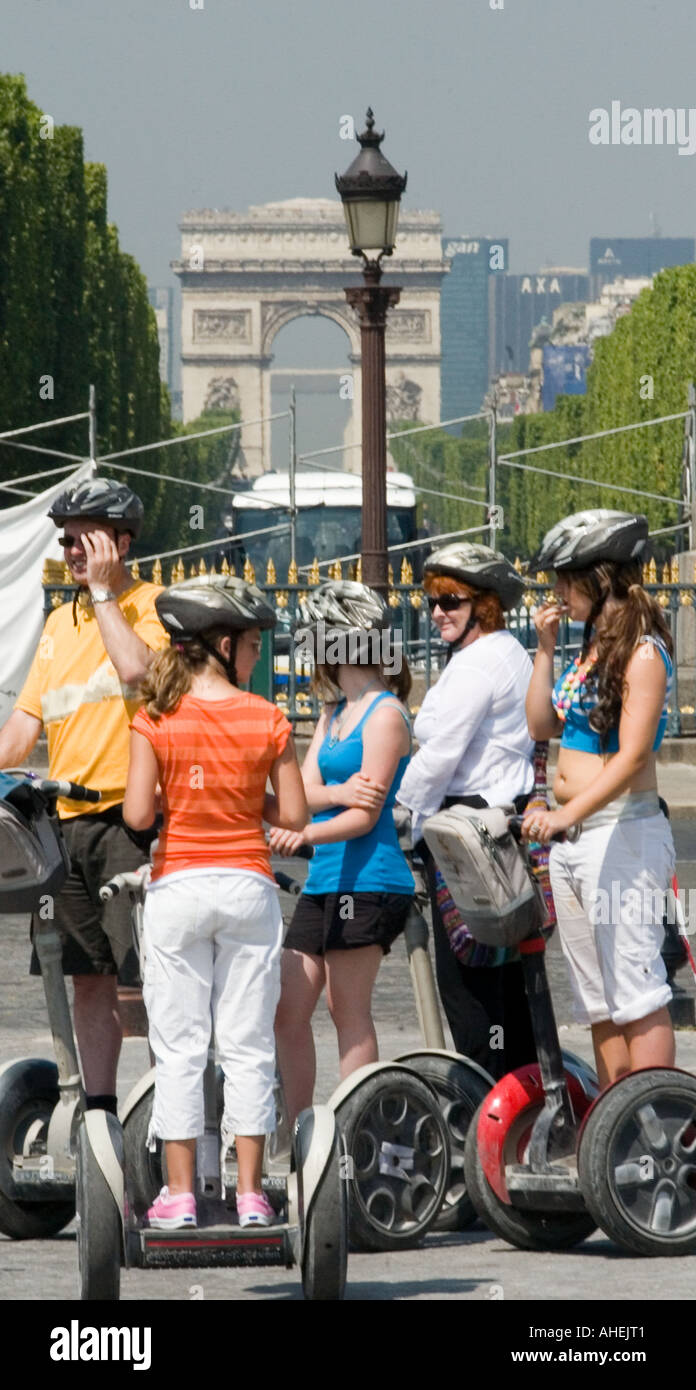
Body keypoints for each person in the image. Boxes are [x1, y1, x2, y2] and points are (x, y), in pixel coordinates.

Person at [123, 574, 307, 1229]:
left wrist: (188, 796)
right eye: (254, 644)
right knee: (249, 1044)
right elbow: (293, 815)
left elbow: (139, 813)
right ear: (225, 644)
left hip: (178, 885)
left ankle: (178, 1196)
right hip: (248, 886)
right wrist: (240, 798)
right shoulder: (268, 718)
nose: (258, 656)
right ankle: (251, 1193)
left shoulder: (155, 718)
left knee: (180, 1046)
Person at [0, 477, 167, 1116]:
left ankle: (165, 1118)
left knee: (146, 983)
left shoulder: (153, 607)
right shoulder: (56, 625)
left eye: (85, 538)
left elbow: (138, 673)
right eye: (65, 539)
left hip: (133, 822)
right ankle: (99, 1114)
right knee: (87, 978)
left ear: (122, 542)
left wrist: (103, 594)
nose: (71, 549)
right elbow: (22, 729)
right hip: (64, 826)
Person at [523, 509, 676, 1089]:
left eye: (568, 576)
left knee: (636, 994)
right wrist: (543, 650)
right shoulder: (587, 648)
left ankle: (657, 1125)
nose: (558, 589)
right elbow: (541, 725)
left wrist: (564, 812)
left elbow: (633, 757)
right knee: (599, 1001)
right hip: (575, 840)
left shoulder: (643, 653)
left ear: (603, 575)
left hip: (622, 833)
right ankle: (614, 1132)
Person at [270, 581, 414, 1124]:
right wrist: (333, 794)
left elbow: (366, 816)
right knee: (288, 1009)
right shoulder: (333, 714)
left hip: (371, 879)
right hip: (327, 879)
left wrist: (306, 834)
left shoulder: (385, 714)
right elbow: (302, 795)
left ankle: (354, 1129)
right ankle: (300, 1126)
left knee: (345, 1009)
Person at [396, 543, 537, 1079]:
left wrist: (401, 816)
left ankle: (485, 1102)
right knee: (509, 980)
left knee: (468, 985)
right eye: (432, 601)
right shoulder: (503, 653)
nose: (436, 612)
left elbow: (439, 755)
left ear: (486, 605)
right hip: (492, 827)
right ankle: (521, 1095)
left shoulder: (481, 663)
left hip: (468, 834)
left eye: (450, 601)